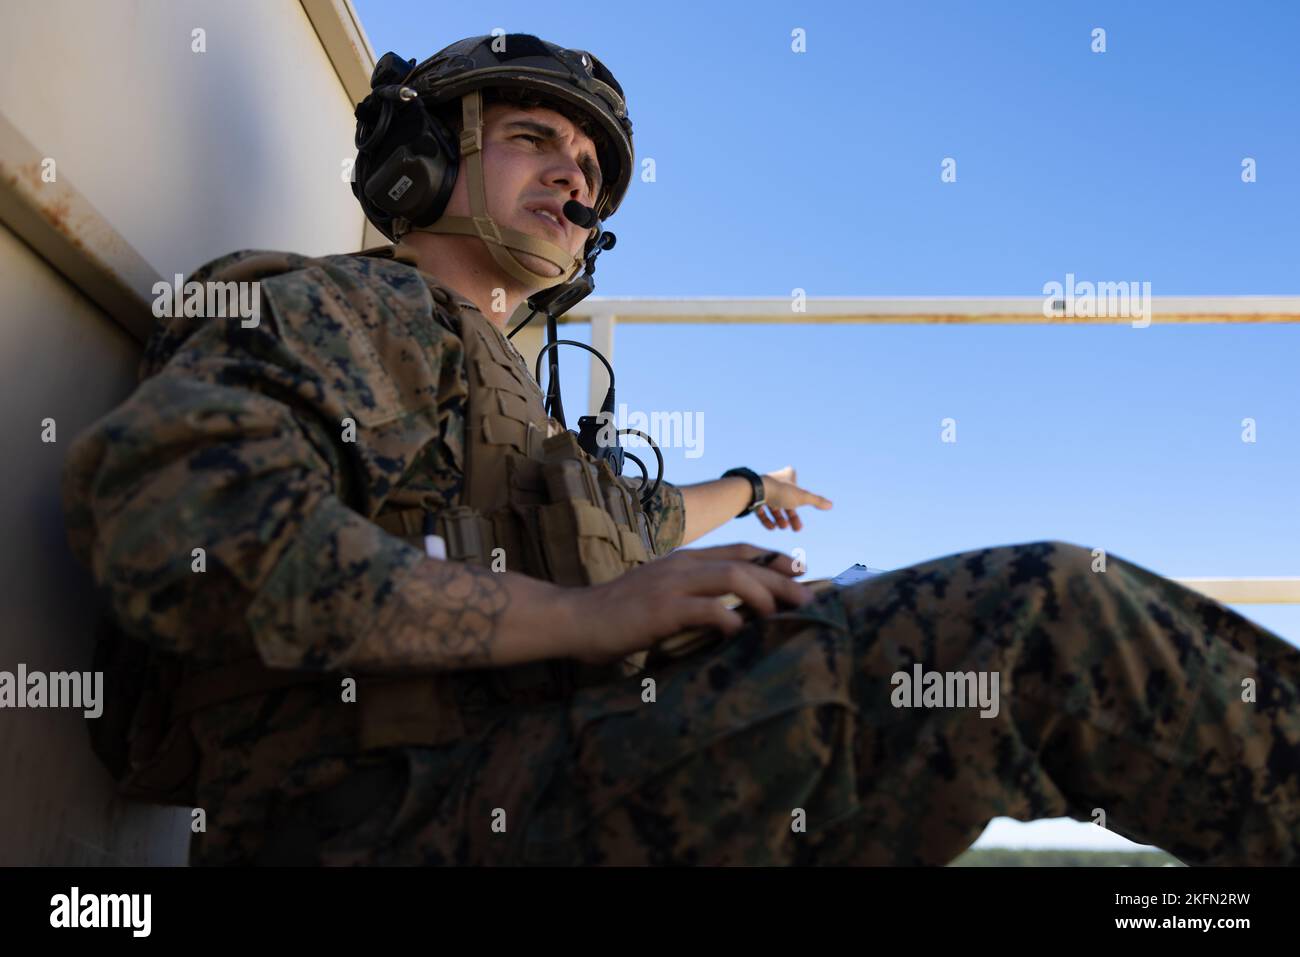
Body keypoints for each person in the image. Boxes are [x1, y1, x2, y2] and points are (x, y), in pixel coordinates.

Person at [62, 34, 1300, 866]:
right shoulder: (351, 307)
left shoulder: (528, 418)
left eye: (590, 168)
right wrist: (570, 622)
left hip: (519, 778)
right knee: (1031, 620)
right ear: (422, 157)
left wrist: (749, 498)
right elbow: (185, 527)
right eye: (536, 141)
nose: (575, 182)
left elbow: (637, 530)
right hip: (380, 820)